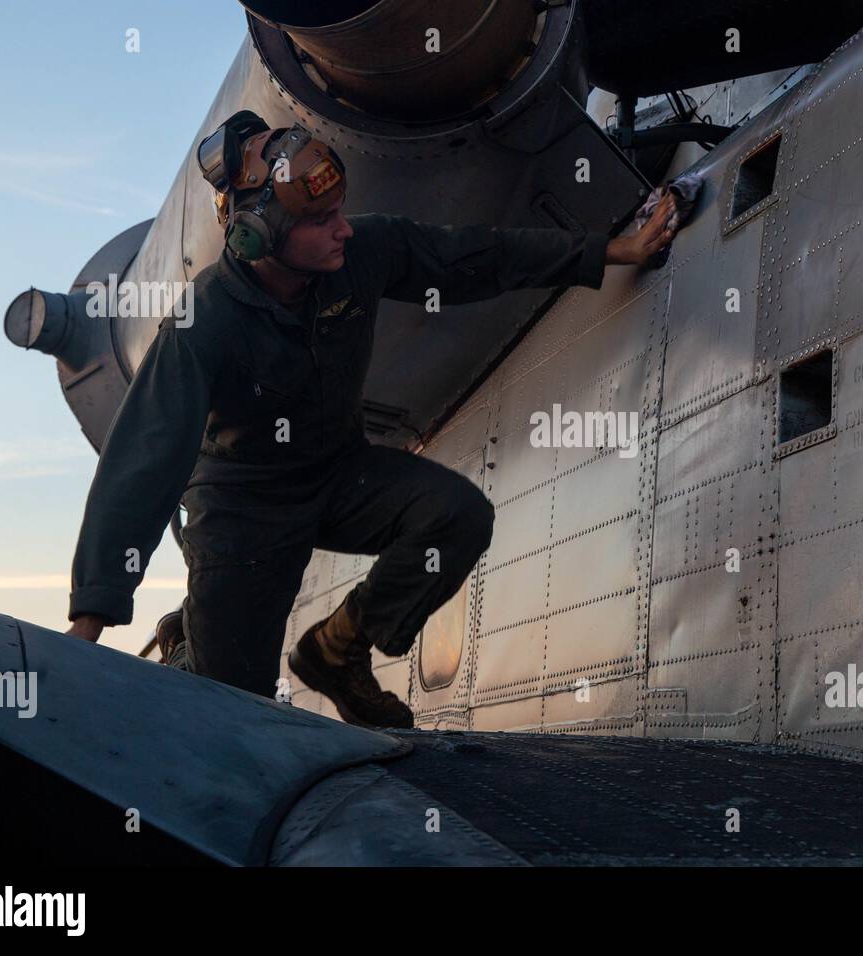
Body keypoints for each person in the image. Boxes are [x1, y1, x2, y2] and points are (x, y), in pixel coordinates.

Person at [64, 110, 677, 728]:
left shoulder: (362, 252)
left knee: (456, 517)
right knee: (233, 707)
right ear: (258, 235)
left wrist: (609, 251)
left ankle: (336, 651)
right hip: (242, 510)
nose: (343, 231)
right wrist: (91, 615)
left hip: (335, 473)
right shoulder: (205, 322)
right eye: (322, 221)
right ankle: (194, 652)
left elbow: (475, 258)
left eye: (340, 213)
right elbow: (143, 463)